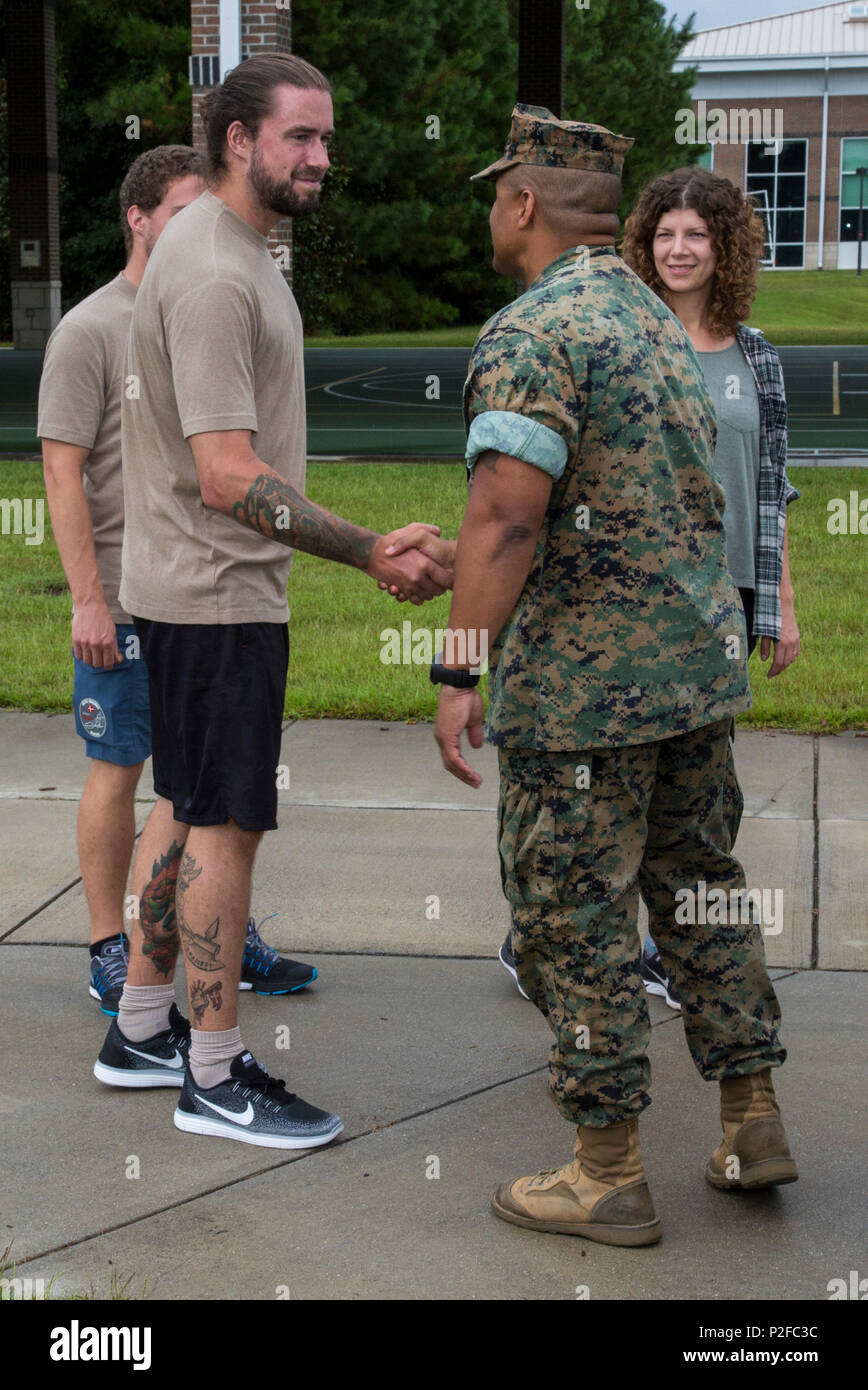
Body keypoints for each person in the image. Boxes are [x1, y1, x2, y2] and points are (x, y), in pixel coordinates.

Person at [418, 104, 797, 1243]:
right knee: (704, 893)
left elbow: (504, 520)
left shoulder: (537, 331)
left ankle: (606, 1169)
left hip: (586, 699)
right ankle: (750, 1115)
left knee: (574, 921)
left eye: (497, 193)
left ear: (522, 203)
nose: (493, 211)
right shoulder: (652, 319)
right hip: (692, 678)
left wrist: (456, 665)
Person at [95, 54, 452, 1152]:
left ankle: (140, 1030)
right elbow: (226, 474)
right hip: (214, 600)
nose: (323, 159)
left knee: (193, 815)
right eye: (300, 137)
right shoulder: (211, 269)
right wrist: (366, 551)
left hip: (203, 593)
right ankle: (213, 1073)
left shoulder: (230, 250)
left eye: (327, 138)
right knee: (226, 833)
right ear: (237, 139)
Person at [39, 146, 317, 1020]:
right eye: (186, 208)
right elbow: (61, 474)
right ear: (140, 218)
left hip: (194, 593)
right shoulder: (90, 328)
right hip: (131, 594)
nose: (203, 224)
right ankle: (109, 948)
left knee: (193, 792)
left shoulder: (216, 292)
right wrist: (90, 597)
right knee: (123, 768)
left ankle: (208, 946)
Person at [621, 166, 801, 1012]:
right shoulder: (629, 340)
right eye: (666, 234)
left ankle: (669, 941)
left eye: (697, 234)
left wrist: (780, 604)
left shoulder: (757, 354)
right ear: (645, 245)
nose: (680, 248)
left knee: (703, 785)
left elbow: (772, 485)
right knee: (622, 777)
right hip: (644, 599)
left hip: (724, 598)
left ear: (724, 246)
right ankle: (563, 936)